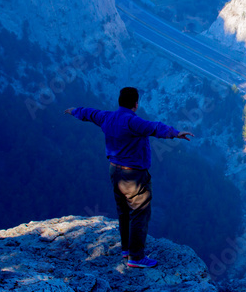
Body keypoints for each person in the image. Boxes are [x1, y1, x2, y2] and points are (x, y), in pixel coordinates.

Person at [65, 87, 193, 268]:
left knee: (123, 211)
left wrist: (73, 111)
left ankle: (126, 249)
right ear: (136, 104)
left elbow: (88, 113)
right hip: (133, 175)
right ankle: (136, 257)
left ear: (120, 101)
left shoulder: (107, 117)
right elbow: (155, 127)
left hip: (115, 171)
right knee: (139, 213)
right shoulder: (132, 121)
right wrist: (176, 133)